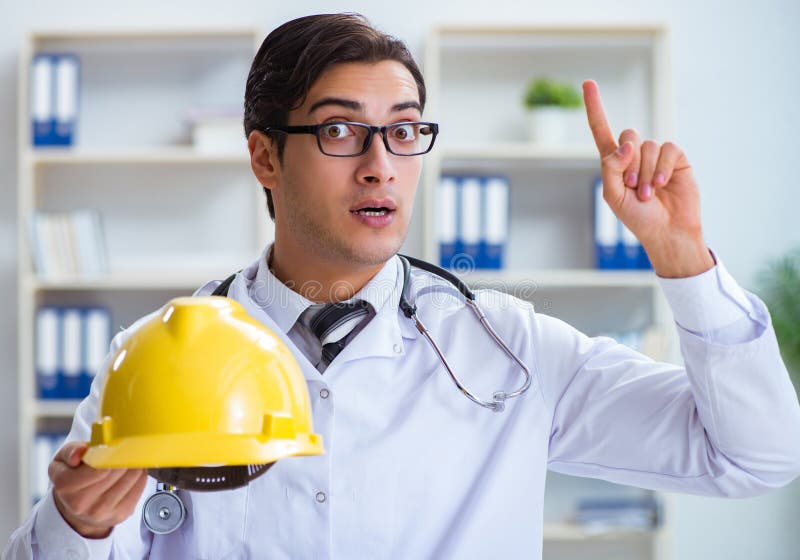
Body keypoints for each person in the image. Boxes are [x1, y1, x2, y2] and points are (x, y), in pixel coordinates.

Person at [6, 12, 800, 560]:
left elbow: (754, 458)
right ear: (265, 158)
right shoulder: (152, 361)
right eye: (340, 129)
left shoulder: (511, 350)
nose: (381, 162)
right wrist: (77, 520)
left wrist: (684, 261)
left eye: (404, 128)